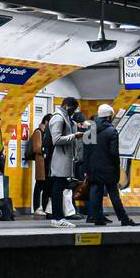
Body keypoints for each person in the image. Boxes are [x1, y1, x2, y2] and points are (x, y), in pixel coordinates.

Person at [84, 104, 134, 226]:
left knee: (95, 192)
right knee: (113, 194)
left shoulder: (89, 130)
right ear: (109, 116)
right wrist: (117, 167)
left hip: (93, 168)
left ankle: (98, 219)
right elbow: (113, 153)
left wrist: (86, 168)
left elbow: (86, 151)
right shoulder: (112, 131)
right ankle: (124, 219)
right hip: (108, 168)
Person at [46, 96, 82, 228]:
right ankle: (57, 218)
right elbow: (56, 139)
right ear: (68, 106)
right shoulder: (58, 117)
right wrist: (74, 136)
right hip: (59, 158)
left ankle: (58, 217)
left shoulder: (66, 117)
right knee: (57, 187)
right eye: (73, 109)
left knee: (60, 187)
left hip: (64, 158)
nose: (74, 112)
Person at [27, 113, 52, 215]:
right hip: (41, 163)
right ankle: (37, 207)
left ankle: (45, 207)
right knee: (39, 186)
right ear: (46, 121)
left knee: (46, 187)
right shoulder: (39, 132)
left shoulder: (46, 132)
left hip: (46, 162)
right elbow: (37, 148)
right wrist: (47, 149)